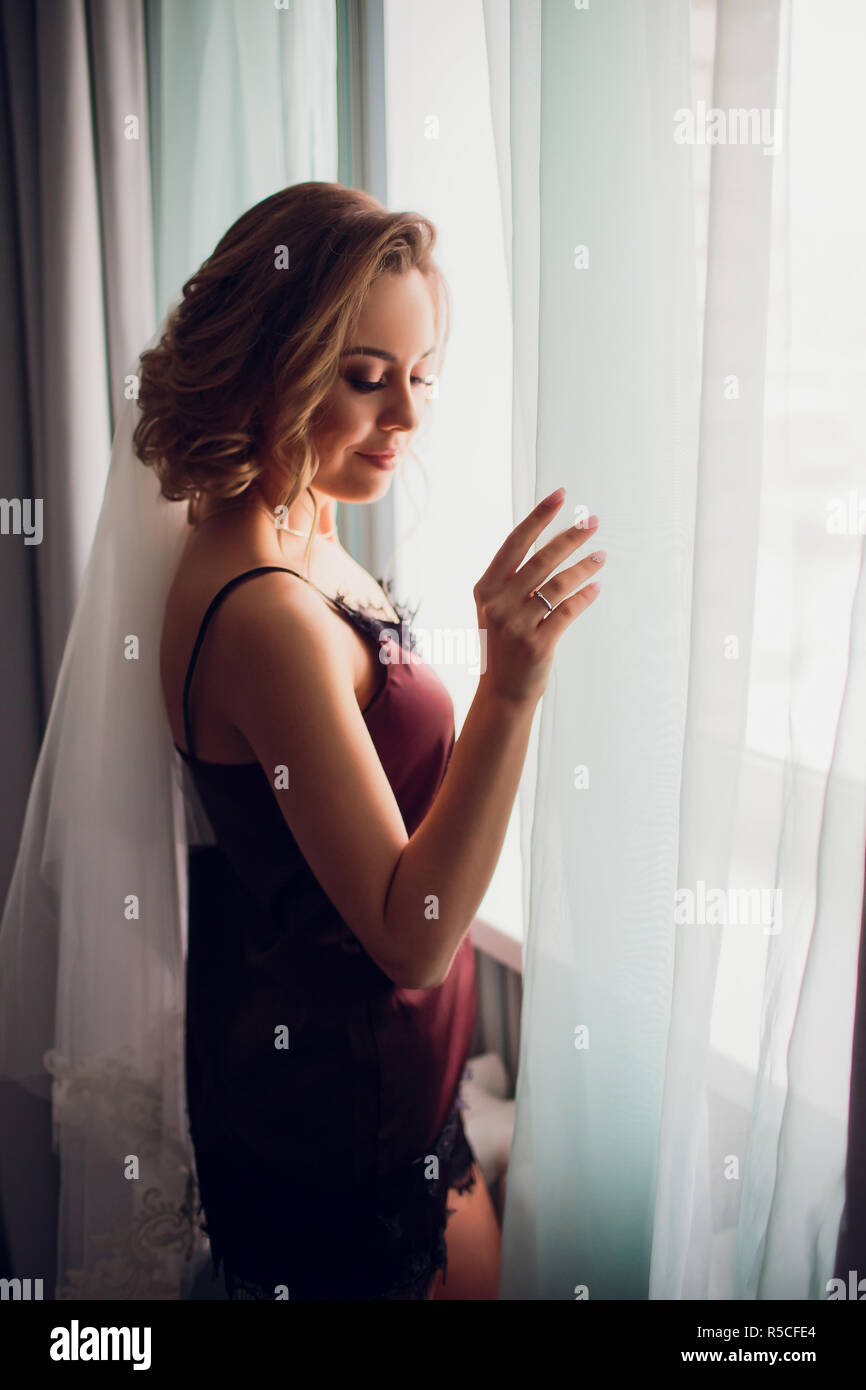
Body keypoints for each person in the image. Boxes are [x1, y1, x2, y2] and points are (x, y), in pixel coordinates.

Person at [0, 182, 604, 1301]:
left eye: (419, 378)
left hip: (390, 1088)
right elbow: (411, 938)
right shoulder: (263, 611)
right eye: (366, 378)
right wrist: (511, 688)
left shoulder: (297, 524)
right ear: (264, 361)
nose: (407, 419)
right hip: (337, 1125)